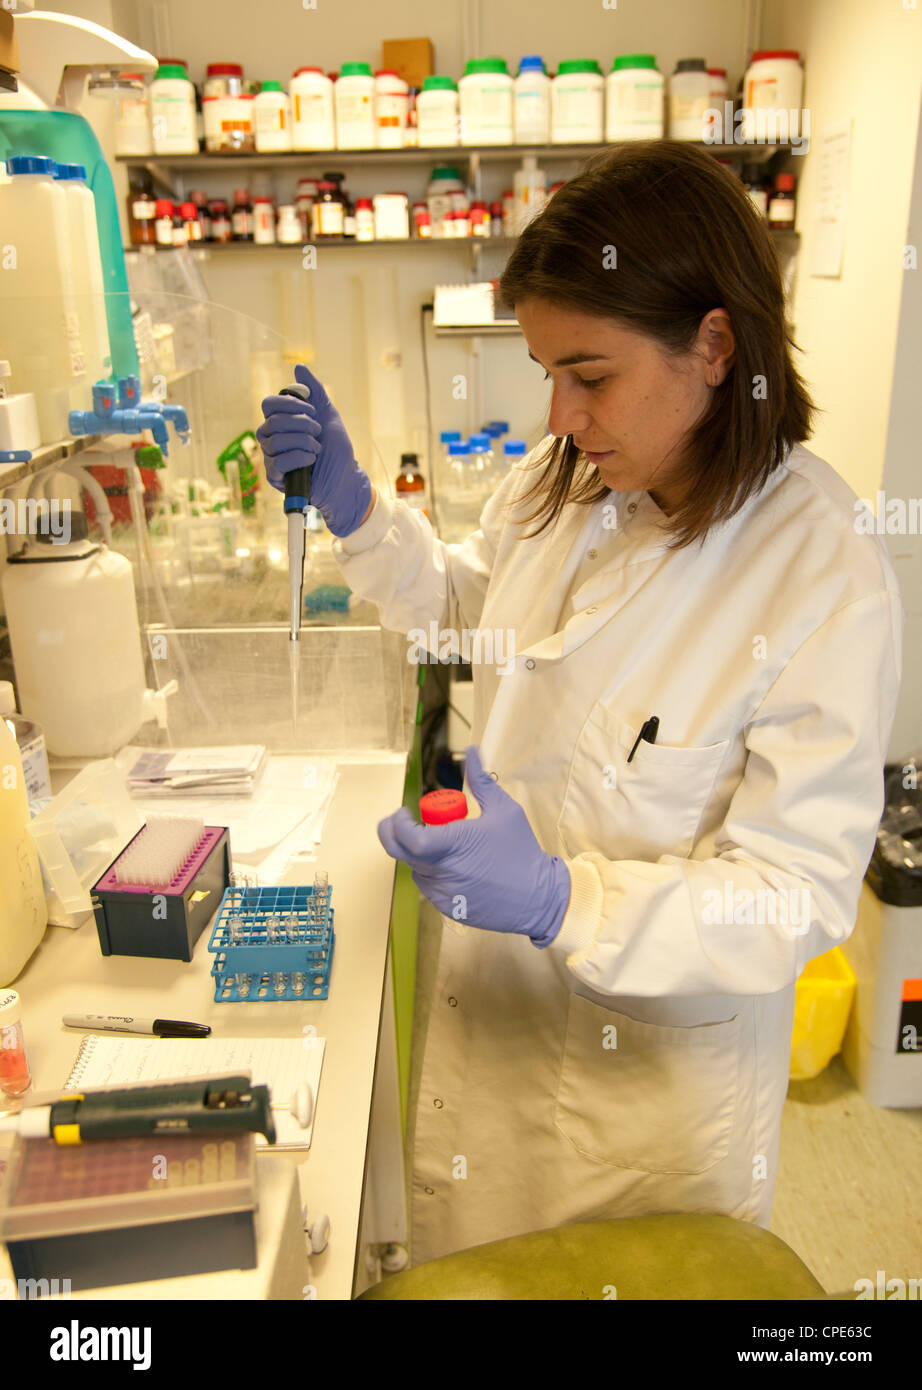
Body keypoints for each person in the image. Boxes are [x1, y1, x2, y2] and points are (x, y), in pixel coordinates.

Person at [258, 141, 903, 1270]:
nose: (557, 414)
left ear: (714, 345)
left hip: (641, 1111)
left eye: (588, 375)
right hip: (486, 1031)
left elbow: (792, 896)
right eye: (545, 371)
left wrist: (565, 900)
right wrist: (363, 519)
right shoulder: (576, 479)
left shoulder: (823, 574)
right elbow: (476, 610)